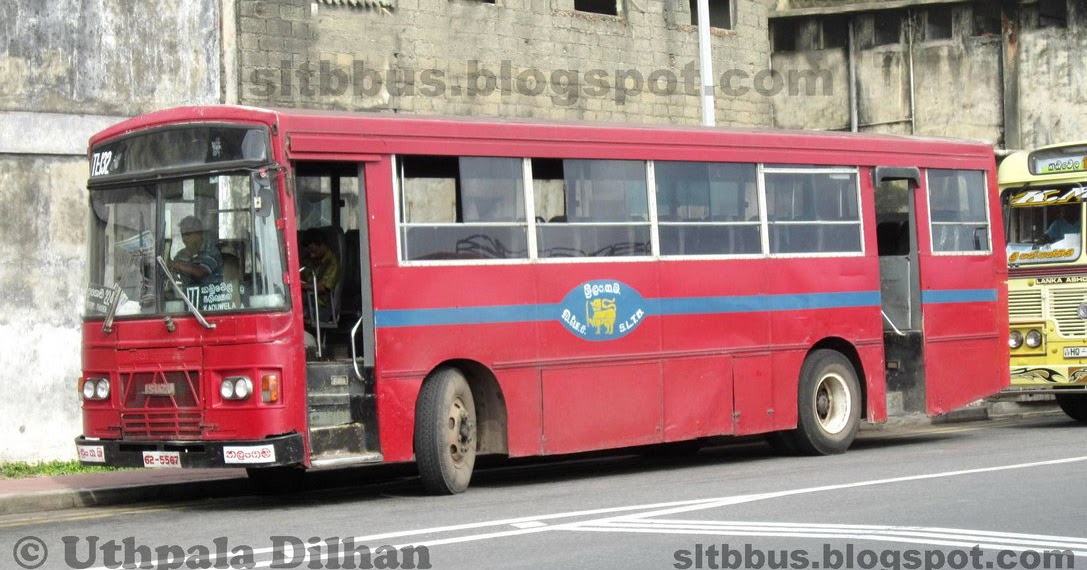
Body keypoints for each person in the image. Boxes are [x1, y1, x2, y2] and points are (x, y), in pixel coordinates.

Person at [167, 215, 223, 286]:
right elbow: (174, 273)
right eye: (182, 235)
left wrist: (177, 265)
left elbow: (200, 272)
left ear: (199, 234)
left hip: (211, 291)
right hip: (186, 292)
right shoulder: (181, 255)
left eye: (187, 234)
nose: (184, 239)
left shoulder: (211, 251)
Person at [300, 228, 340, 322]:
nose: (311, 255)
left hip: (320, 306)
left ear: (322, 245)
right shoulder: (310, 260)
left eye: (313, 250)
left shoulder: (332, 263)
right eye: (309, 251)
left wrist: (299, 286)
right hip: (307, 300)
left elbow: (323, 287)